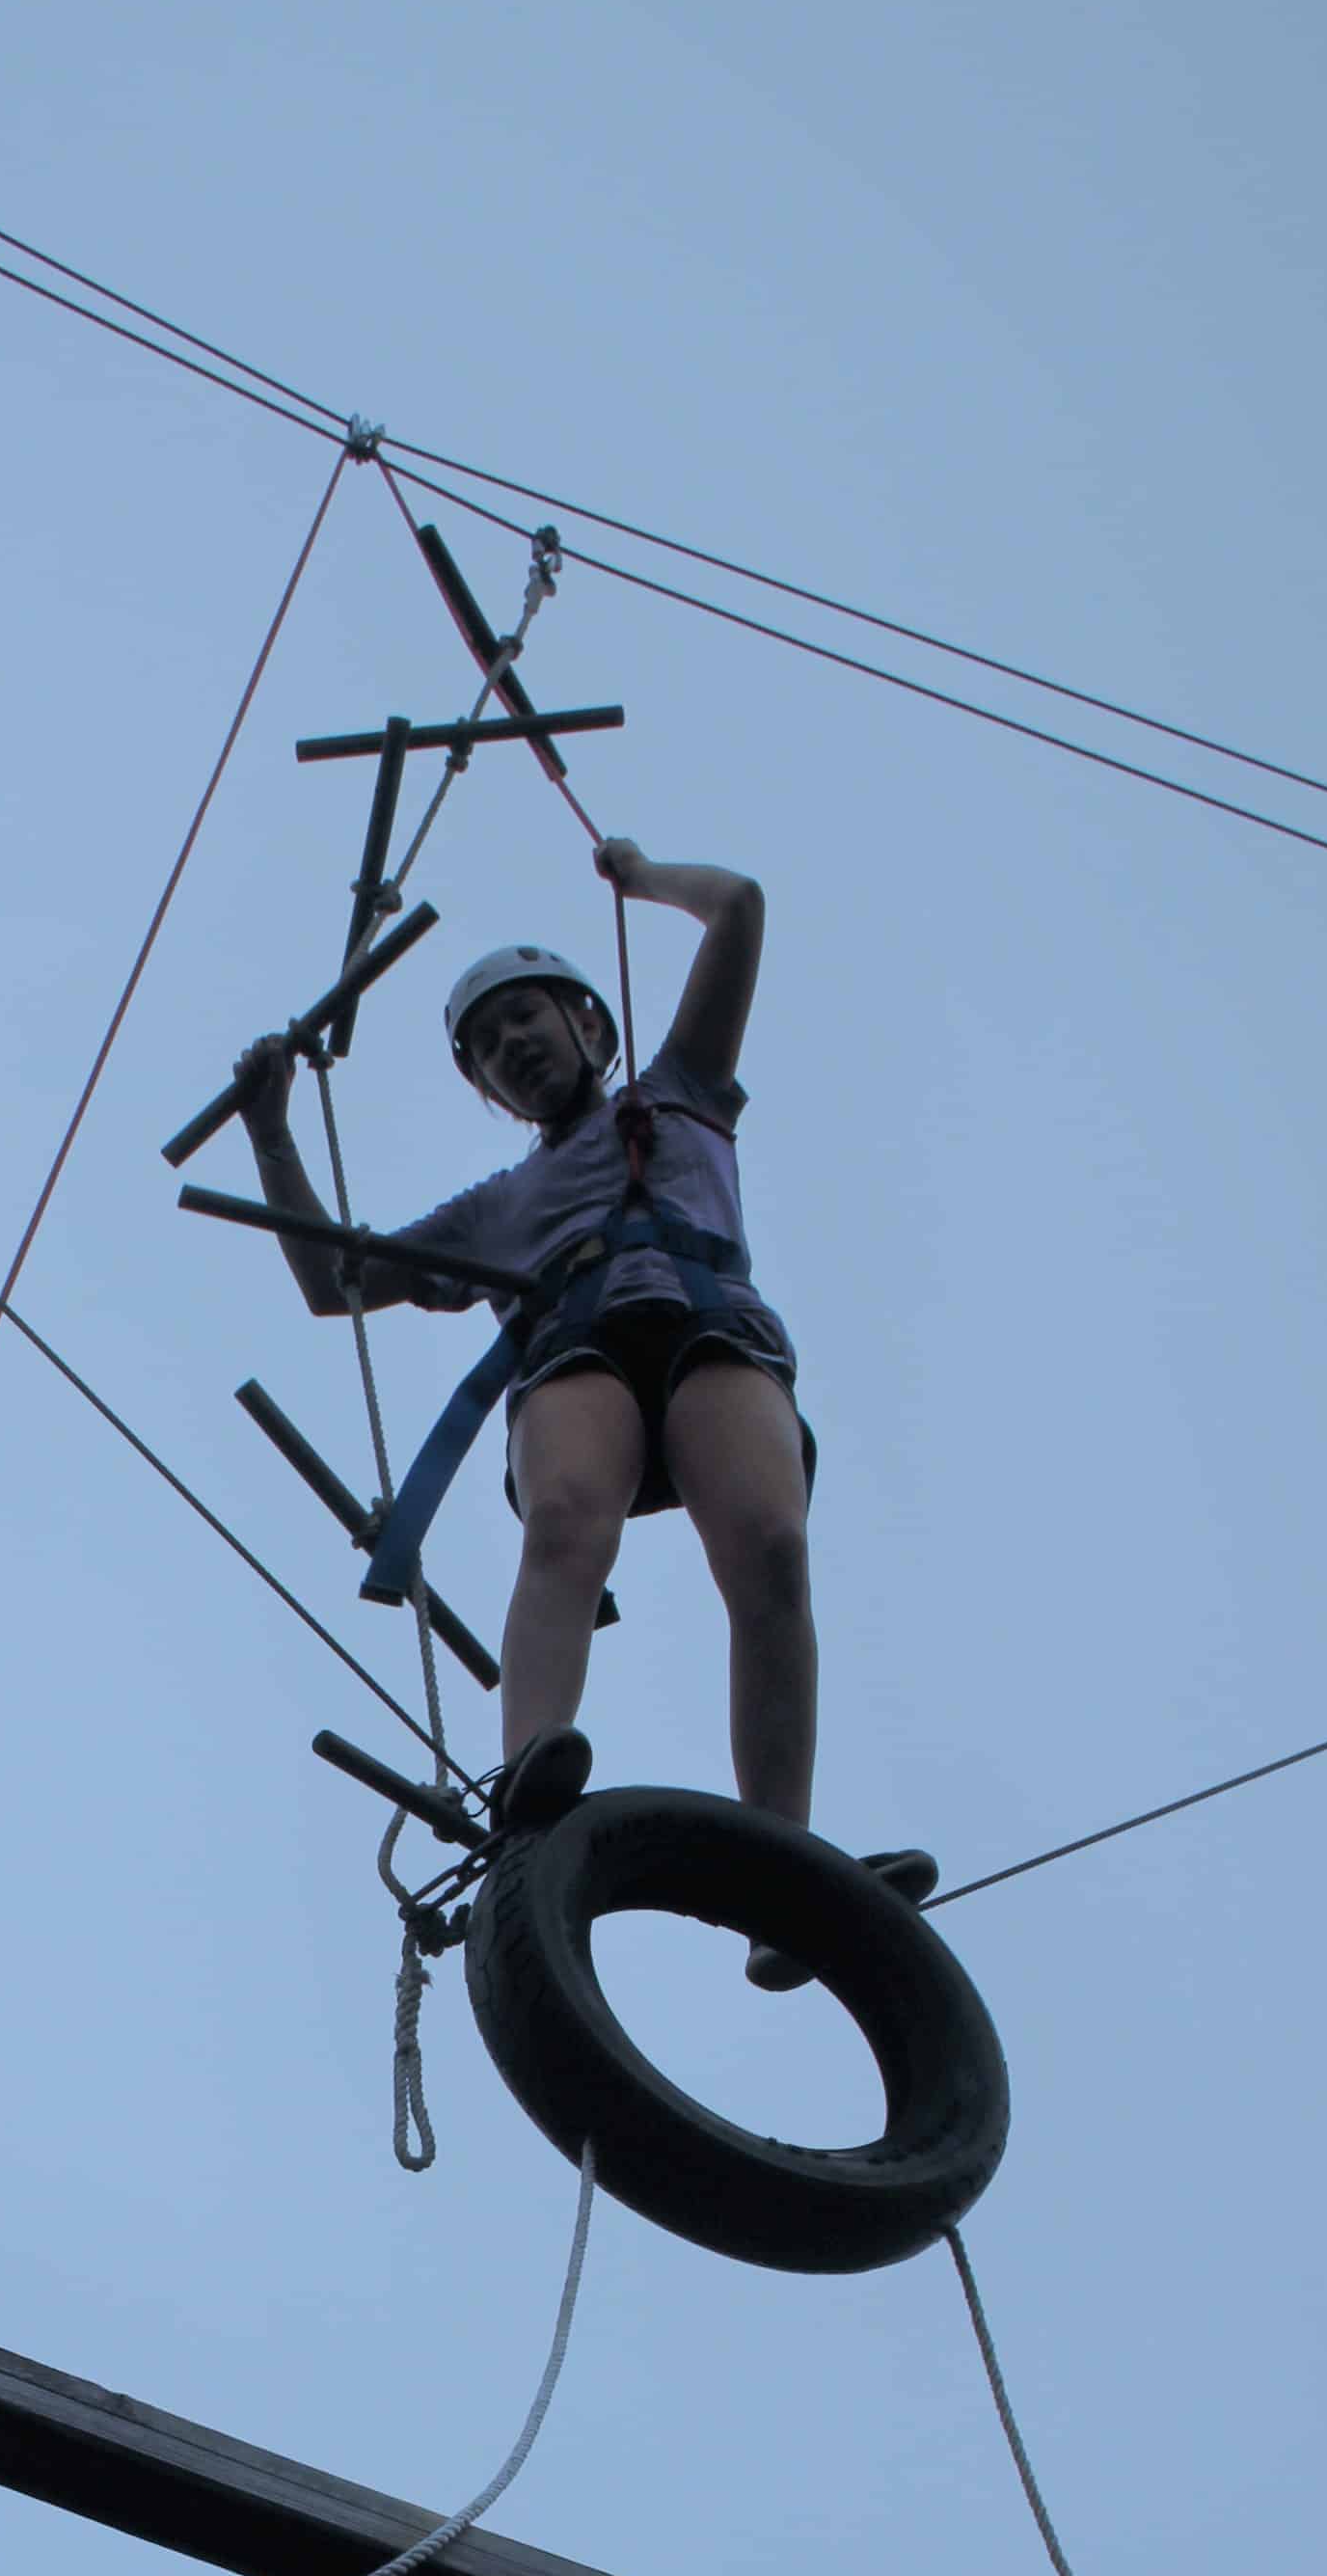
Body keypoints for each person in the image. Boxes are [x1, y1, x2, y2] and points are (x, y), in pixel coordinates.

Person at [229, 835, 926, 1979]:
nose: (515, 1048)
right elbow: (330, 1281)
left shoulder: (683, 1090)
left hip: (710, 1324)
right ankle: (530, 1785)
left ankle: (781, 1877)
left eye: (529, 1021)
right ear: (491, 1095)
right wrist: (271, 1131)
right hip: (576, 1350)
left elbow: (740, 907)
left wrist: (642, 877)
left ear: (591, 1028)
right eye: (492, 1051)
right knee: (563, 1529)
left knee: (772, 1549)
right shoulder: (503, 1204)